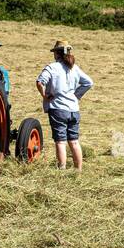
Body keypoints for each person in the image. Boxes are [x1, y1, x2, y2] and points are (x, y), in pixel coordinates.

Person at [36, 40, 93, 170]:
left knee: (60, 142)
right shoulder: (75, 68)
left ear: (56, 53)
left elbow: (40, 82)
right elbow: (89, 82)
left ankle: (61, 170)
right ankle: (78, 170)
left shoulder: (52, 67)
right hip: (74, 110)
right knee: (74, 141)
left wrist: (45, 95)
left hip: (58, 109)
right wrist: (76, 96)